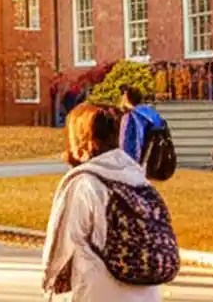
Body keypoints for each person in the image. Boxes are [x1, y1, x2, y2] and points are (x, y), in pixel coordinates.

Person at [42, 104, 170, 301]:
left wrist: (49, 283)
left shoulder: (85, 183)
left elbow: (63, 244)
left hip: (98, 290)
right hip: (145, 293)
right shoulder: (138, 179)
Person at [119, 86, 166, 165]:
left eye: (124, 98)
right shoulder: (149, 112)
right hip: (149, 160)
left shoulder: (131, 116)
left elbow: (124, 144)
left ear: (127, 100)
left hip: (133, 161)